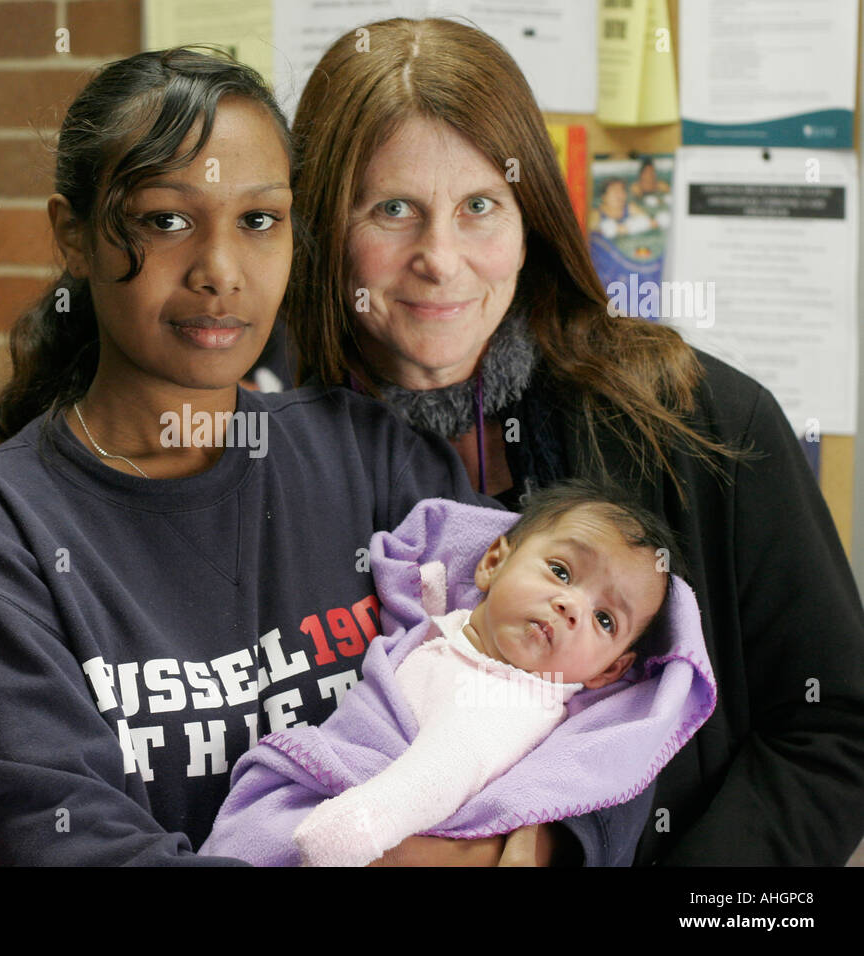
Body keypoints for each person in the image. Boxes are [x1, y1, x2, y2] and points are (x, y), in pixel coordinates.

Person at [286, 16, 864, 864]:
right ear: (321, 232)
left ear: (532, 220)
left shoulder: (701, 421)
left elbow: (836, 726)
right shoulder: (260, 459)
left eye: (480, 206)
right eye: (393, 209)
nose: (440, 259)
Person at [0, 49, 491, 866]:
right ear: (74, 236)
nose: (220, 272)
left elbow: (546, 695)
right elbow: (72, 842)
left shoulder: (377, 462)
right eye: (165, 220)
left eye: (259, 221)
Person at [202, 481, 716, 866]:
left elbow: (442, 771)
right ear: (492, 561)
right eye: (561, 571)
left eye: (605, 619)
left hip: (357, 823)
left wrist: (352, 832)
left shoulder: (513, 702)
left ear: (609, 671)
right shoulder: (444, 621)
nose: (570, 606)